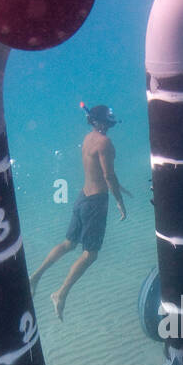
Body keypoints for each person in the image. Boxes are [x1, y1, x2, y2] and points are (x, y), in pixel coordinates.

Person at [29, 104, 130, 320]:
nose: (111, 123)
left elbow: (99, 172)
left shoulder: (89, 138)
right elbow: (108, 175)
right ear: (102, 122)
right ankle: (60, 293)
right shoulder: (105, 143)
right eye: (109, 120)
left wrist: (116, 184)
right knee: (90, 254)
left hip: (82, 197)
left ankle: (35, 277)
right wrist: (119, 201)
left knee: (68, 244)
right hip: (95, 203)